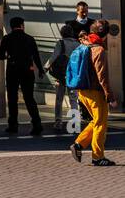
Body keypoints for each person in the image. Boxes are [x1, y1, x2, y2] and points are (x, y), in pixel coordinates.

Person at [71, 20, 116, 166]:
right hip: (95, 91)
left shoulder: (84, 43)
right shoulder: (98, 50)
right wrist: (110, 96)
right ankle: (98, 157)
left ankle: (79, 144)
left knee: (96, 120)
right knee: (101, 124)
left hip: (82, 89)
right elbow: (102, 76)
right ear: (104, 34)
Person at [0, 16, 44, 136]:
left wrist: (9, 56)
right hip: (27, 71)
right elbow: (36, 56)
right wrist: (40, 70)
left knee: (13, 99)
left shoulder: (7, 39)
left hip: (12, 71)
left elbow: (0, 56)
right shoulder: (29, 39)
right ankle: (37, 124)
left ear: (11, 26)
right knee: (29, 98)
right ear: (22, 25)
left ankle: (13, 125)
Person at [48, 23, 81, 134]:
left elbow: (53, 58)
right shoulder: (78, 44)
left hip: (60, 76)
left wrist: (44, 69)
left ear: (62, 34)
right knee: (73, 99)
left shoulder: (60, 43)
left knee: (59, 99)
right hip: (73, 76)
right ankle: (75, 123)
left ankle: (58, 122)